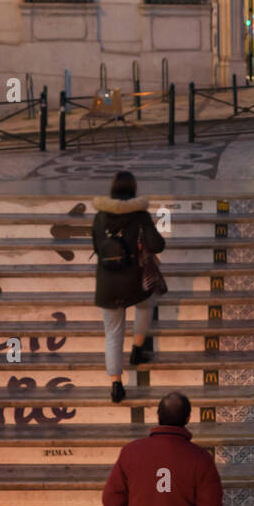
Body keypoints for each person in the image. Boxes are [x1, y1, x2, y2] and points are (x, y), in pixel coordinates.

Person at [92, 171, 166, 404]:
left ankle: (116, 385)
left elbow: (96, 245)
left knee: (112, 334)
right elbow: (157, 245)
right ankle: (137, 349)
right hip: (135, 280)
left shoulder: (100, 216)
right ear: (133, 189)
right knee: (145, 305)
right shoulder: (140, 215)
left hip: (108, 284)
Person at [101, 391, 223, 506]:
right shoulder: (201, 458)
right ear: (188, 418)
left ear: (158, 416)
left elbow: (111, 500)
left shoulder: (130, 451)